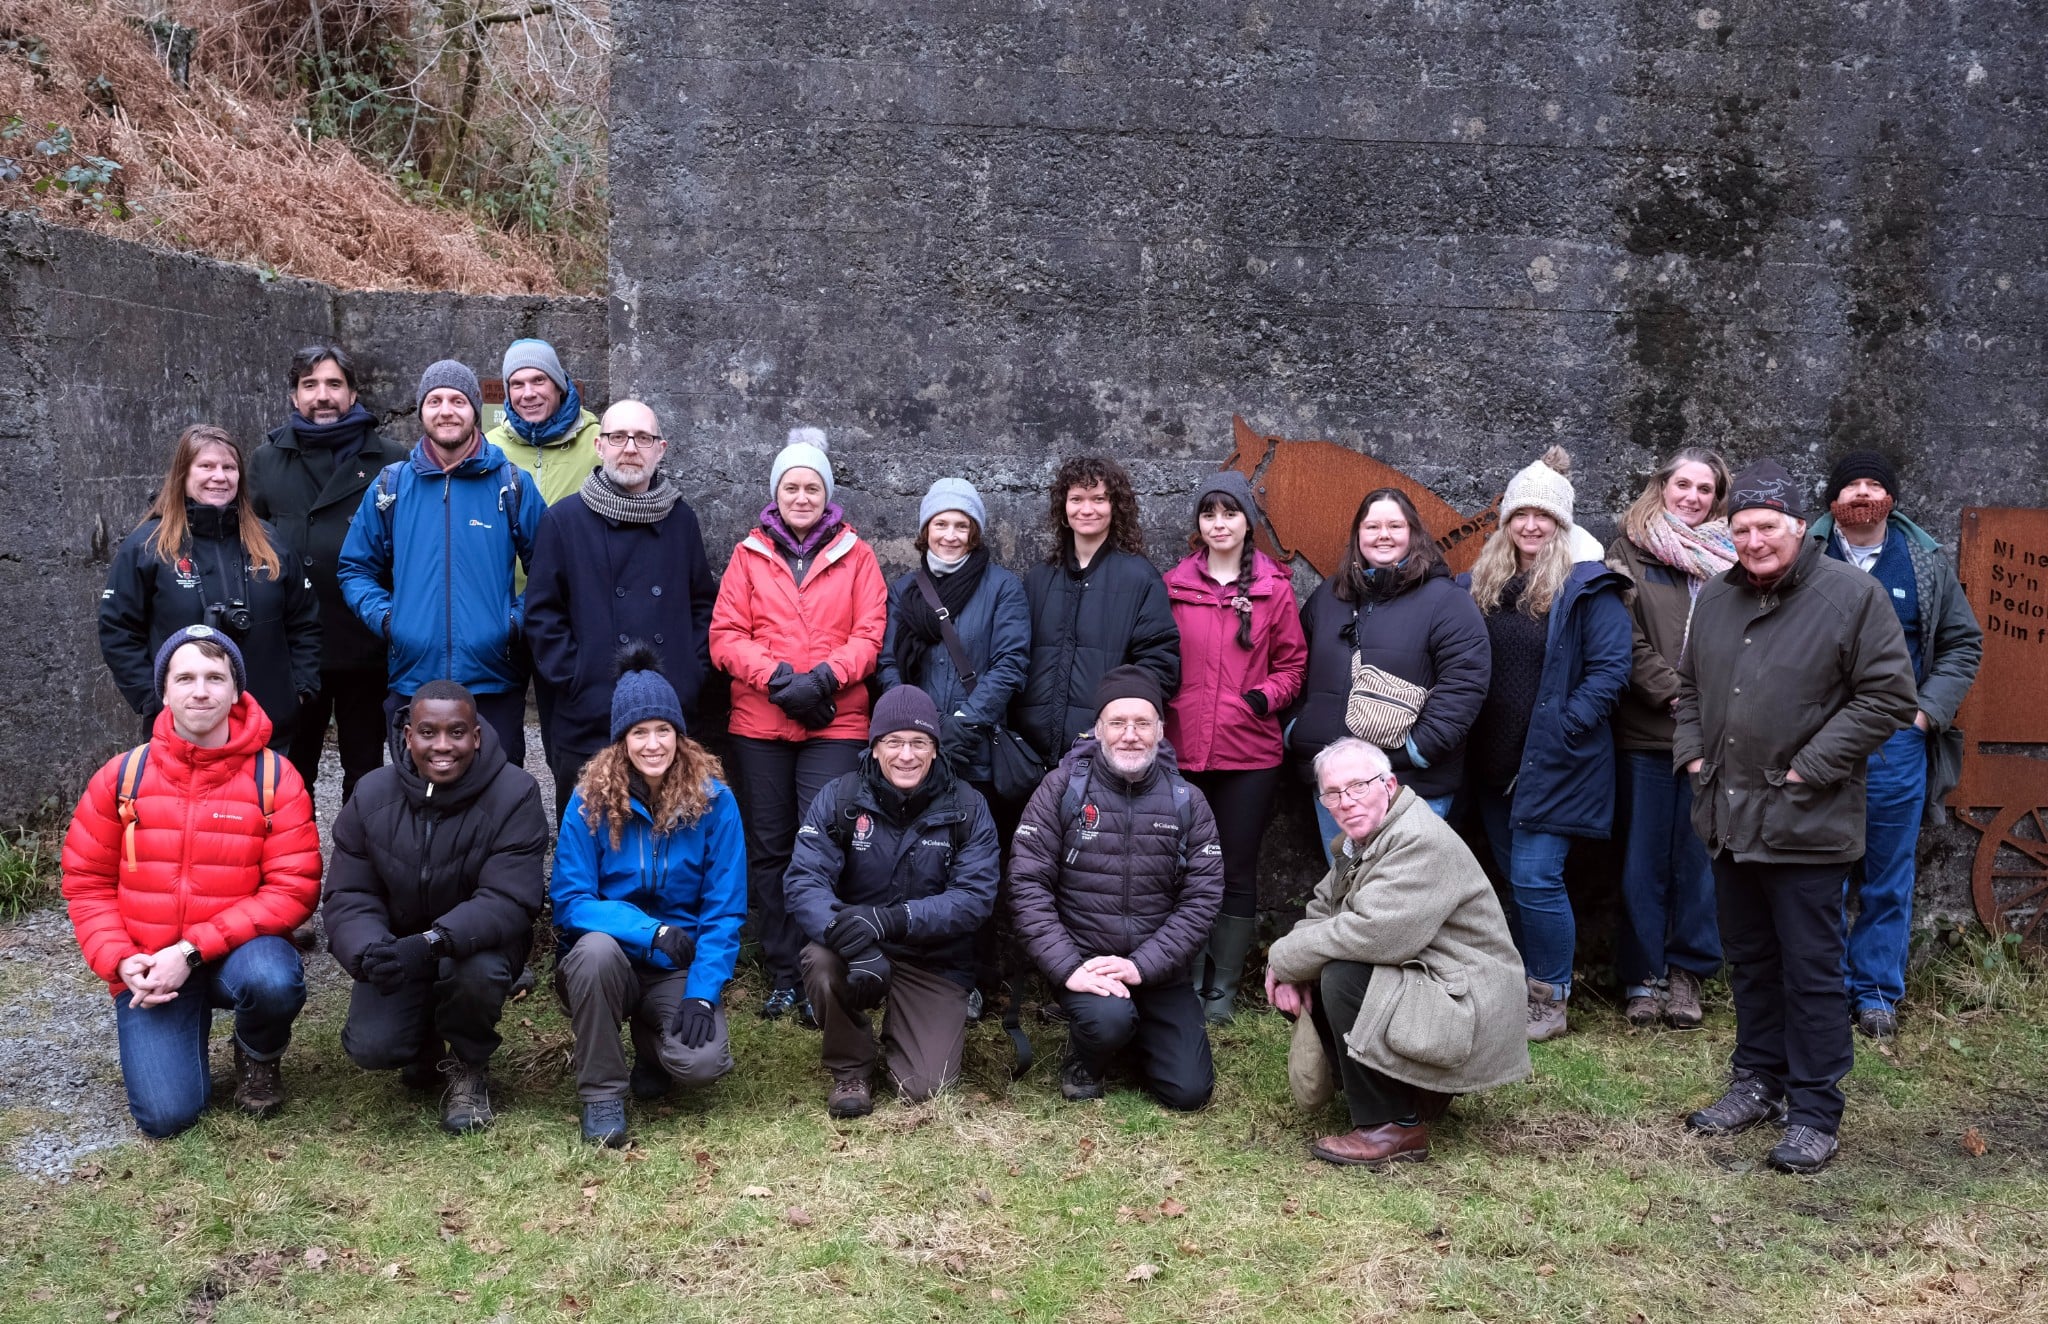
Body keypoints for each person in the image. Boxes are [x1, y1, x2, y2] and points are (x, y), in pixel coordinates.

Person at [1676, 458, 1917, 1174]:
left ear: (1796, 527)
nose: (1754, 541)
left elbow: (1886, 697)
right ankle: (1757, 1081)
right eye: (1742, 528)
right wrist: (1693, 755)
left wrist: (1811, 764)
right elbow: (1688, 690)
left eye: (1768, 527)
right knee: (1750, 961)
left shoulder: (1852, 596)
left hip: (1808, 820)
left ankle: (1814, 1110)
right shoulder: (1716, 600)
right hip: (1727, 816)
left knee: (1810, 971)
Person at [60, 626, 322, 1138]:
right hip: (152, 965)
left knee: (273, 979)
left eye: (214, 677)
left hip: (236, 955)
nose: (200, 690)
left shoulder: (275, 776)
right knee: (168, 1117)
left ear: (236, 690)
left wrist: (190, 950)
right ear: (164, 691)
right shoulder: (122, 777)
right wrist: (119, 958)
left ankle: (257, 1052)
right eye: (185, 678)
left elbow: (294, 890)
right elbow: (86, 880)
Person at [1265, 739, 1530, 1167]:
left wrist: (1282, 958)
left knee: (1343, 973)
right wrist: (1293, 967)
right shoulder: (1362, 841)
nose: (1344, 802)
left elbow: (1377, 935)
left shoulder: (1418, 840)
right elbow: (1322, 910)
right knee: (1317, 964)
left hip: (1469, 1004)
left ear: (1388, 785)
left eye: (1357, 787)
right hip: (1441, 986)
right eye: (1331, 793)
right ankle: (1415, 1092)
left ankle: (1393, 1126)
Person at [710, 427, 889, 1022]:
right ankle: (784, 972)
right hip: (761, 725)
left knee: (831, 845)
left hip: (835, 724)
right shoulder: (748, 554)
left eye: (812, 486)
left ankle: (823, 969)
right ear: (776, 494)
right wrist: (783, 681)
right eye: (792, 486)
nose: (802, 496)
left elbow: (869, 635)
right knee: (770, 848)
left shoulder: (857, 554)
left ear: (827, 493)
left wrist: (825, 680)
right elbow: (726, 636)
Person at [322, 681, 549, 1134]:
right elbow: (349, 894)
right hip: (400, 943)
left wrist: (431, 943)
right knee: (373, 1047)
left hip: (477, 946)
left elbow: (509, 897)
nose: (442, 746)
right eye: (428, 732)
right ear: (408, 736)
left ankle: (468, 1064)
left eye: (457, 732)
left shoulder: (515, 793)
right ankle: (422, 1041)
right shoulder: (371, 794)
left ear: (477, 736)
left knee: (476, 973)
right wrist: (369, 952)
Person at [1808, 452, 1982, 1040]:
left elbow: (1963, 644)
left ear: (1892, 498)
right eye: (1851, 484)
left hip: (1895, 745)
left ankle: (1876, 993)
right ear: (1832, 500)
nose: (1862, 492)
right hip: (1818, 743)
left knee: (1886, 872)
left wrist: (1925, 715)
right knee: (1818, 870)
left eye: (1874, 484)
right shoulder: (1806, 555)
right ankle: (1821, 989)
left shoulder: (1926, 564)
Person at [1464, 448, 1631, 1042]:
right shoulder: (1481, 582)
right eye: (1519, 514)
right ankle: (1520, 984)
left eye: (1544, 516)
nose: (1530, 525)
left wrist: (1563, 727)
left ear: (1563, 524)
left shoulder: (1588, 587)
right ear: (1505, 520)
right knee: (1513, 879)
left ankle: (1550, 997)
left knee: (1537, 879)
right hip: (1493, 764)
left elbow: (1611, 671)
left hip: (1556, 762)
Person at [552, 647, 747, 1146]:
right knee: (593, 951)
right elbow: (572, 900)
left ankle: (650, 1044)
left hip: (679, 965)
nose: (653, 743)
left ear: (679, 736)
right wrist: (651, 930)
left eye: (663, 730)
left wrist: (703, 990)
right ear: (622, 740)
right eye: (640, 732)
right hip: (613, 955)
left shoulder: (716, 802)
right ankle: (602, 1094)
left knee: (702, 1063)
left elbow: (725, 907)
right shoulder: (588, 800)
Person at [1009, 667, 1224, 1110]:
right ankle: (1089, 1058)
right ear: (1099, 729)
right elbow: (1027, 885)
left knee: (1188, 1093)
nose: (1130, 735)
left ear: (1161, 731)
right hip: (1084, 963)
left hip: (1159, 969)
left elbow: (1202, 900)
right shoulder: (1060, 790)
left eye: (1143, 723)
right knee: (1108, 1020)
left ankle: (1135, 1035)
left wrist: (1142, 966)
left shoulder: (1188, 801)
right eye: (1118, 723)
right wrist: (1068, 967)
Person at [784, 686, 1001, 1117]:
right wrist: (857, 943)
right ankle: (851, 1066)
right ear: (875, 746)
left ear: (935, 750)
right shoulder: (840, 798)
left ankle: (909, 1034)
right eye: (894, 742)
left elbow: (974, 899)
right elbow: (804, 882)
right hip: (854, 947)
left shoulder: (970, 807)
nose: (907, 755)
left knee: (925, 1088)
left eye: (919, 743)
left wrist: (892, 921)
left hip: (934, 959)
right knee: (821, 962)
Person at [338, 359, 547, 766]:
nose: (446, 410)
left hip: (492, 680)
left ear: (475, 411)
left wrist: (512, 622)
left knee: (497, 799)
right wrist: (389, 619)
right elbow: (354, 568)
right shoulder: (390, 486)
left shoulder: (512, 484)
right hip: (413, 677)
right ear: (421, 411)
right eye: (434, 400)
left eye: (457, 400)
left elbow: (551, 571)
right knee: (417, 799)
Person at [1162, 471, 1307, 1023]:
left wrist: (1260, 700)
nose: (1219, 524)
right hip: (1182, 748)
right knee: (1183, 866)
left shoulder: (1275, 588)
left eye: (1230, 514)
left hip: (1250, 753)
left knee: (1236, 869)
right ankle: (1186, 976)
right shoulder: (1174, 584)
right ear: (1198, 525)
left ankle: (1221, 988)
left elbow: (1293, 665)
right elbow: (1157, 656)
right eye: (1209, 514)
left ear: (1249, 522)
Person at [526, 399, 717, 815]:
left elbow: (703, 603)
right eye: (618, 437)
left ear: (660, 449)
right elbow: (542, 616)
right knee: (592, 839)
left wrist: (691, 672)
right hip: (592, 713)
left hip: (668, 715)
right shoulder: (563, 521)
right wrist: (578, 678)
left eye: (643, 438)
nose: (630, 447)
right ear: (599, 446)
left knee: (669, 835)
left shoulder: (681, 519)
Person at [1604, 448, 1737, 1029]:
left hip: (1714, 738)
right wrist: (1676, 694)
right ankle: (1643, 976)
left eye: (1705, 489)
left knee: (1699, 859)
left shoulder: (1737, 556)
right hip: (1648, 731)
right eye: (1682, 484)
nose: (1692, 496)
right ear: (1662, 488)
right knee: (1641, 860)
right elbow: (1623, 638)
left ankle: (1687, 974)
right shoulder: (1628, 550)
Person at [1291, 487, 1490, 862]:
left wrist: (1418, 748)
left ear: (1414, 532)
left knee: (1404, 903)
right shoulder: (1328, 597)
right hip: (1337, 786)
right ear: (1358, 535)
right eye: (1372, 526)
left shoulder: (1447, 601)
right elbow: (1293, 664)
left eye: (1395, 525)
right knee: (1346, 895)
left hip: (1410, 786)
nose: (1383, 534)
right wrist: (1297, 730)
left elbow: (1465, 682)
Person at [248, 344, 408, 806]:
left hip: (367, 643)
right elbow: (252, 540)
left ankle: (359, 869)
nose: (323, 396)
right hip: (296, 644)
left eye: (334, 384)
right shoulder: (267, 459)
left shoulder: (392, 460)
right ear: (295, 396)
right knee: (290, 770)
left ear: (353, 393)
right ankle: (290, 866)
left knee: (366, 770)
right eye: (310, 385)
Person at [99, 425, 322, 754]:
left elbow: (305, 620)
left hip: (267, 726)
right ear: (183, 474)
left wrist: (299, 689)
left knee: (269, 805)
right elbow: (118, 629)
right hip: (182, 730)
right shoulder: (147, 546)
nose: (219, 476)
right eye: (206, 466)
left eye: (229, 467)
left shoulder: (270, 541)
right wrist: (152, 699)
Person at [1012, 456, 1179, 766]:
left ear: (1115, 506)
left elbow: (1159, 665)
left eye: (1098, 499)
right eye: (1076, 499)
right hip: (1029, 757)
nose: (1086, 509)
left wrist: (1112, 726)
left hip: (1103, 756)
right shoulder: (1038, 579)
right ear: (1063, 507)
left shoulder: (1140, 579)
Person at [483, 338, 603, 506]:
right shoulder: (489, 447)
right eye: (517, 384)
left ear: (559, 386)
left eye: (538, 380)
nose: (528, 393)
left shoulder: (599, 443)